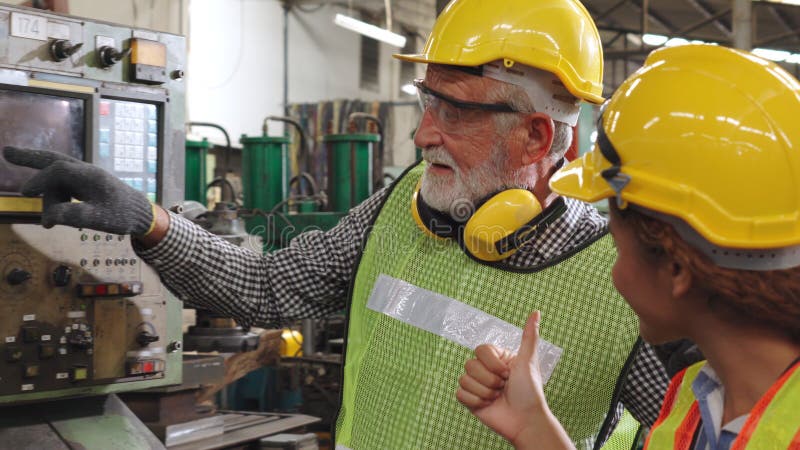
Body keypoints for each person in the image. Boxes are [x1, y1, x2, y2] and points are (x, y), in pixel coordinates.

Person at [2, 0, 670, 448]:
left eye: (456, 113)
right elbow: (267, 288)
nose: (425, 135)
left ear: (534, 135)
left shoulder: (625, 280)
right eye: (425, 103)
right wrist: (148, 222)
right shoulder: (404, 205)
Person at [456, 43, 800, 449]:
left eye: (618, 248)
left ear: (676, 269)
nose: (614, 275)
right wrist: (534, 426)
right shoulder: (699, 393)